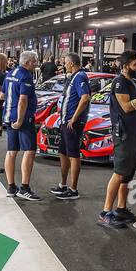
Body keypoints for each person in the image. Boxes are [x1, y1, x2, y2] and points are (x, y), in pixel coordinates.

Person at [98, 50, 136, 229]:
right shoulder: (119, 83)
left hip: (135, 134)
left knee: (128, 174)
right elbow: (126, 107)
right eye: (135, 65)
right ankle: (105, 212)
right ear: (125, 66)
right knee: (120, 172)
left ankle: (121, 209)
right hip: (123, 134)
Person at [51, 52, 90, 201]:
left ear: (72, 63)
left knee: (73, 155)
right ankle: (63, 185)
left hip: (73, 122)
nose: (64, 65)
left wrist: (74, 117)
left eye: (65, 62)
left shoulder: (80, 76)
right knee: (63, 152)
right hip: (66, 121)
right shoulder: (72, 77)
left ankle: (74, 189)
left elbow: (85, 97)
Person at [3, 49, 41, 201]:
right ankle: (24, 188)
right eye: (34, 61)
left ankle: (11, 186)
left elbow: (3, 95)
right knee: (30, 150)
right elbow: (23, 100)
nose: (36, 64)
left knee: (11, 151)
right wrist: (19, 119)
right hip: (22, 119)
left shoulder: (10, 74)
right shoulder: (26, 76)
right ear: (27, 62)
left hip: (8, 116)